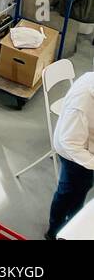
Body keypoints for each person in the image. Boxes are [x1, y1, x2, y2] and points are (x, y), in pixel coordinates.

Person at [46, 67, 94, 240]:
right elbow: (70, 144)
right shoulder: (82, 105)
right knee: (69, 191)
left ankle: (72, 225)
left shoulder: (90, 77)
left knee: (81, 190)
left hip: (85, 142)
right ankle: (54, 231)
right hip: (74, 153)